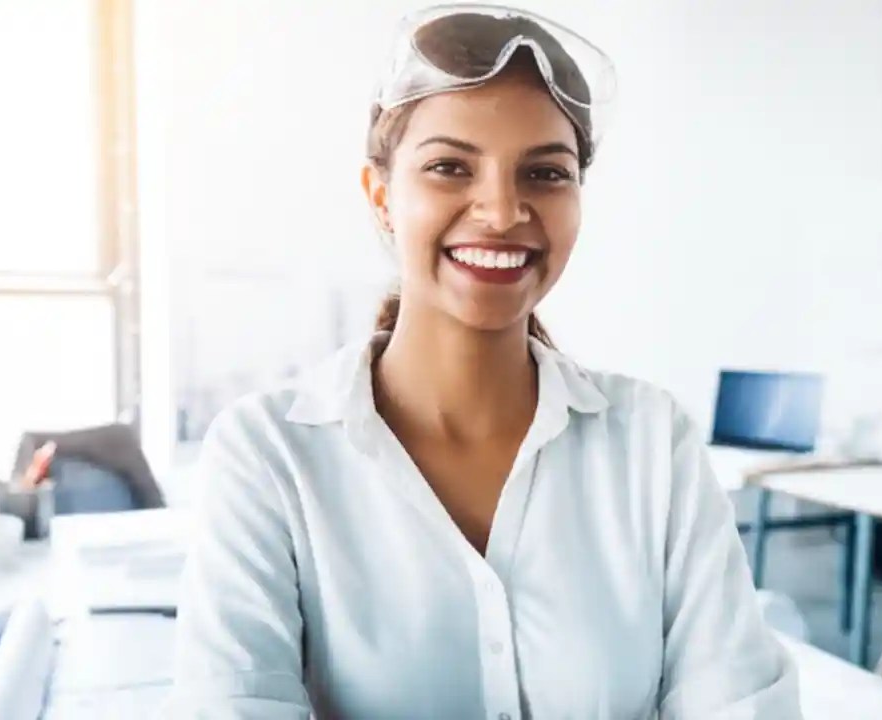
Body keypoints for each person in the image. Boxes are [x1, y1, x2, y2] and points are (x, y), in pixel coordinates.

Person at [173, 5, 801, 718]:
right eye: (448, 167)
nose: (502, 211)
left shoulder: (654, 444)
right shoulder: (268, 456)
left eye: (545, 173)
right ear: (381, 196)